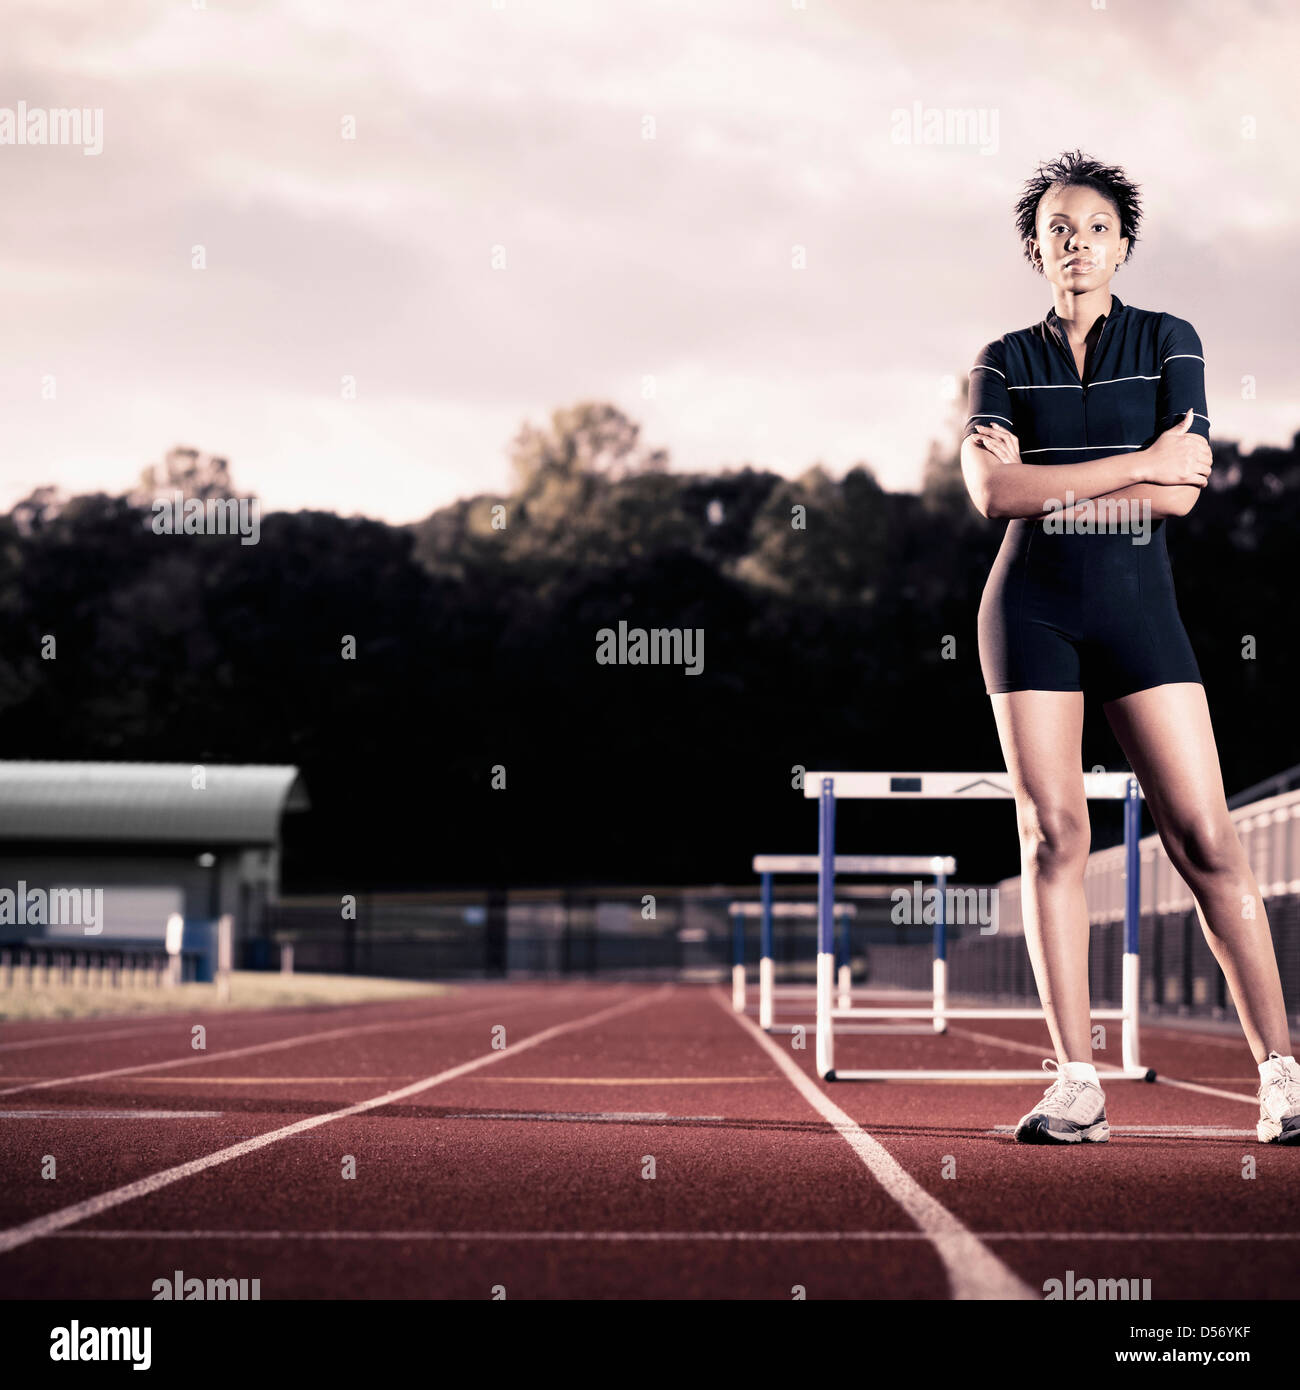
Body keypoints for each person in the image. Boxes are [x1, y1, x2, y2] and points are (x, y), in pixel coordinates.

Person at [960, 149, 1300, 1145]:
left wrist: (1067, 480)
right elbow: (992, 498)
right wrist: (1134, 463)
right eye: (1057, 229)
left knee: (1205, 841)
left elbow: (1181, 492)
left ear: (1123, 244)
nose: (1076, 242)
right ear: (1035, 248)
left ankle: (1280, 1075)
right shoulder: (1001, 361)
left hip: (1137, 613)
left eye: (1095, 228)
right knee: (1051, 836)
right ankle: (1075, 1080)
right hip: (1027, 614)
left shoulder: (1167, 341)